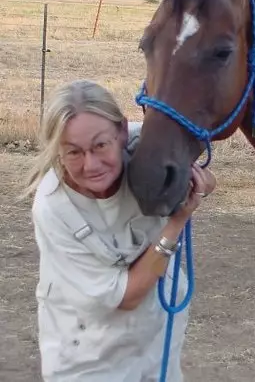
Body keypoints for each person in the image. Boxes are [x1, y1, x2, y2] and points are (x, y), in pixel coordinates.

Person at [23, 79, 216, 382]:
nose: (91, 165)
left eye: (101, 145)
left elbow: (205, 178)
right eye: (74, 152)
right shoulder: (54, 209)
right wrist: (176, 222)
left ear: (123, 132)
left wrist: (194, 184)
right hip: (88, 355)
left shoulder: (145, 148)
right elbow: (126, 296)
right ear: (57, 151)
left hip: (158, 338)